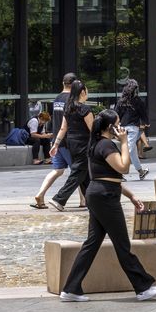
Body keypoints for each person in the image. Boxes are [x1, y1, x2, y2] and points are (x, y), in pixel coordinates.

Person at [58, 109, 156, 303]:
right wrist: (124, 142)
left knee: (92, 244)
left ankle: (71, 288)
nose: (121, 127)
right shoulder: (106, 145)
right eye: (118, 123)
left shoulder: (97, 144)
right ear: (110, 127)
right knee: (122, 243)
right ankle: (143, 287)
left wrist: (131, 196)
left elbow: (109, 177)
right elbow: (123, 167)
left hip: (100, 194)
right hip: (105, 197)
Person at [49, 79, 94, 212]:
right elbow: (93, 129)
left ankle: (92, 201)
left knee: (85, 174)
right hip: (84, 144)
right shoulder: (85, 109)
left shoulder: (68, 107)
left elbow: (63, 128)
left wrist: (55, 144)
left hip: (72, 144)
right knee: (78, 172)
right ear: (82, 92)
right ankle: (59, 198)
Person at [113, 79, 149, 181]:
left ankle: (141, 172)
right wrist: (146, 122)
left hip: (123, 128)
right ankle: (117, 173)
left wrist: (115, 126)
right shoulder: (137, 101)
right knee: (128, 150)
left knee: (132, 151)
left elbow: (116, 114)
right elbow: (143, 113)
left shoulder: (121, 101)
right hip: (133, 128)